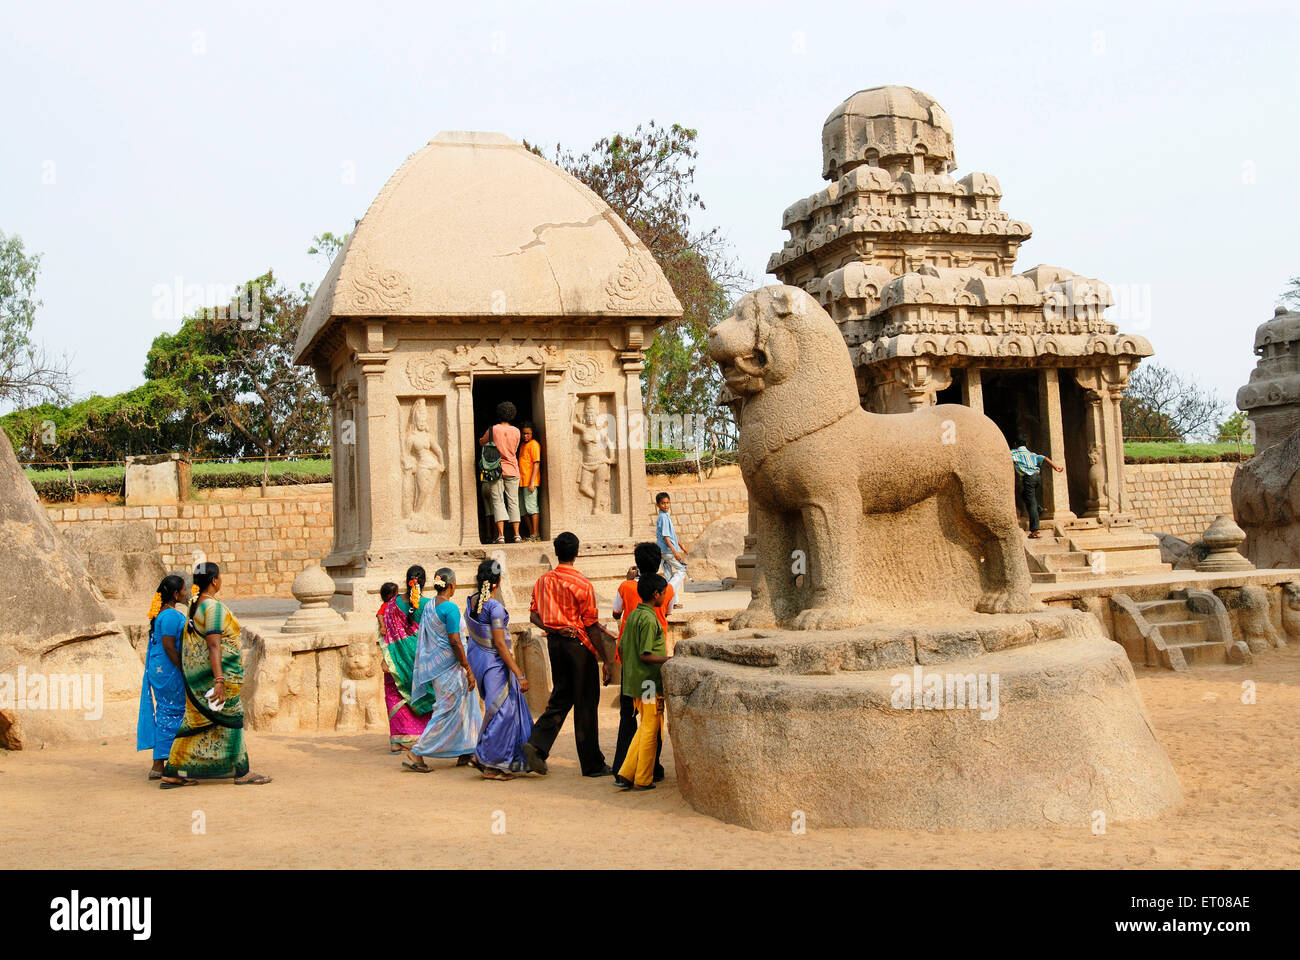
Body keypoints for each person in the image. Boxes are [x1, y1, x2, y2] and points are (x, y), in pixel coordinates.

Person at [161, 563, 271, 787]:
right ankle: (241, 771)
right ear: (214, 581)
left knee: (196, 721)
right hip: (217, 677)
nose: (221, 579)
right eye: (220, 576)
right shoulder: (212, 608)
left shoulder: (194, 604)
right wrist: (219, 681)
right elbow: (213, 645)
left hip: (198, 678)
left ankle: (174, 769)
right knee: (232, 718)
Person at [523, 532, 617, 777]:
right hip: (579, 646)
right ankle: (592, 763)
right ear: (577, 552)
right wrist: (604, 659)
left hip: (555, 643)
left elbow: (534, 616)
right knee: (585, 702)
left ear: (556, 552)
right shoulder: (582, 584)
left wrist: (553, 629)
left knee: (561, 697)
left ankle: (537, 744)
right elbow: (591, 624)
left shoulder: (542, 581)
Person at [404, 568, 482, 771]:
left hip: (439, 669)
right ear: (452, 585)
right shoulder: (450, 609)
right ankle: (417, 752)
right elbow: (455, 641)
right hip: (452, 668)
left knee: (463, 709)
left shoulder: (429, 605)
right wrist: (467, 668)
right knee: (446, 712)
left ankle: (466, 751)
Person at [465, 558, 533, 780]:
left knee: (495, 710)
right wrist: (519, 673)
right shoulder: (494, 607)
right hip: (494, 665)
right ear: (497, 582)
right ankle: (490, 763)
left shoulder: (472, 602)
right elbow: (501, 645)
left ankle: (482, 756)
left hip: (479, 661)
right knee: (502, 712)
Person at [612, 543, 673, 782]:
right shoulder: (664, 588)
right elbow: (667, 613)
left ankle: (623, 767)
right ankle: (649, 769)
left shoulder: (628, 592)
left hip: (630, 667)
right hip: (649, 669)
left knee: (629, 718)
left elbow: (617, 616)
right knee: (652, 725)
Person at [377, 567, 438, 752]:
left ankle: (399, 741)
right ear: (424, 582)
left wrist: (385, 657)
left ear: (406, 580)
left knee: (395, 695)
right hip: (420, 661)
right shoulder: (428, 604)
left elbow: (383, 632)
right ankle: (426, 737)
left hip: (395, 659)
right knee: (425, 694)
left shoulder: (392, 604)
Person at [137, 574, 187, 780]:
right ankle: (163, 762)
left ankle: (159, 763)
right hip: (169, 670)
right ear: (176, 594)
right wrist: (182, 668)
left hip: (159, 669)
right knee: (174, 711)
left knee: (166, 710)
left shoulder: (161, 615)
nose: (186, 593)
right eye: (184, 590)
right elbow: (168, 645)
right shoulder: (171, 616)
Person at [479, 401, 522, 544]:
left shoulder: (492, 430)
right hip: (512, 468)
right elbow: (515, 448)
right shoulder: (517, 431)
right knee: (513, 501)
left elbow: (482, 442)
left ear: (499, 414)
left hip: (495, 469)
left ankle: (501, 535)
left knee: (498, 501)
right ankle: (517, 535)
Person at [1010, 436, 1064, 539]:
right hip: (1037, 478)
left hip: (1028, 478)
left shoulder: (1014, 452)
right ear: (1026, 445)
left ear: (1015, 444)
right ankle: (1039, 510)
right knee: (1025, 495)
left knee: (1031, 503)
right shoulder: (1031, 454)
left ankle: (1035, 530)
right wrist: (1055, 467)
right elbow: (1044, 457)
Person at [655, 492, 687, 607]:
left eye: (667, 503)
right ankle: (669, 591)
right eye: (663, 503)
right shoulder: (663, 517)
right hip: (667, 551)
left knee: (669, 575)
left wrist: (681, 546)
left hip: (664, 551)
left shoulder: (666, 516)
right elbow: (666, 537)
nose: (666, 505)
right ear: (658, 505)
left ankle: (673, 601)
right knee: (682, 570)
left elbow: (672, 535)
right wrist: (675, 552)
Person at [518, 421, 542, 542]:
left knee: (532, 508)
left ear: (532, 434)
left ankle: (536, 533)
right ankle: (531, 532)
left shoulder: (534, 445)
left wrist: (532, 482)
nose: (525, 436)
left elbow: (536, 463)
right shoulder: (522, 445)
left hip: (530, 482)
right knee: (523, 510)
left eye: (528, 433)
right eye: (523, 433)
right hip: (522, 481)